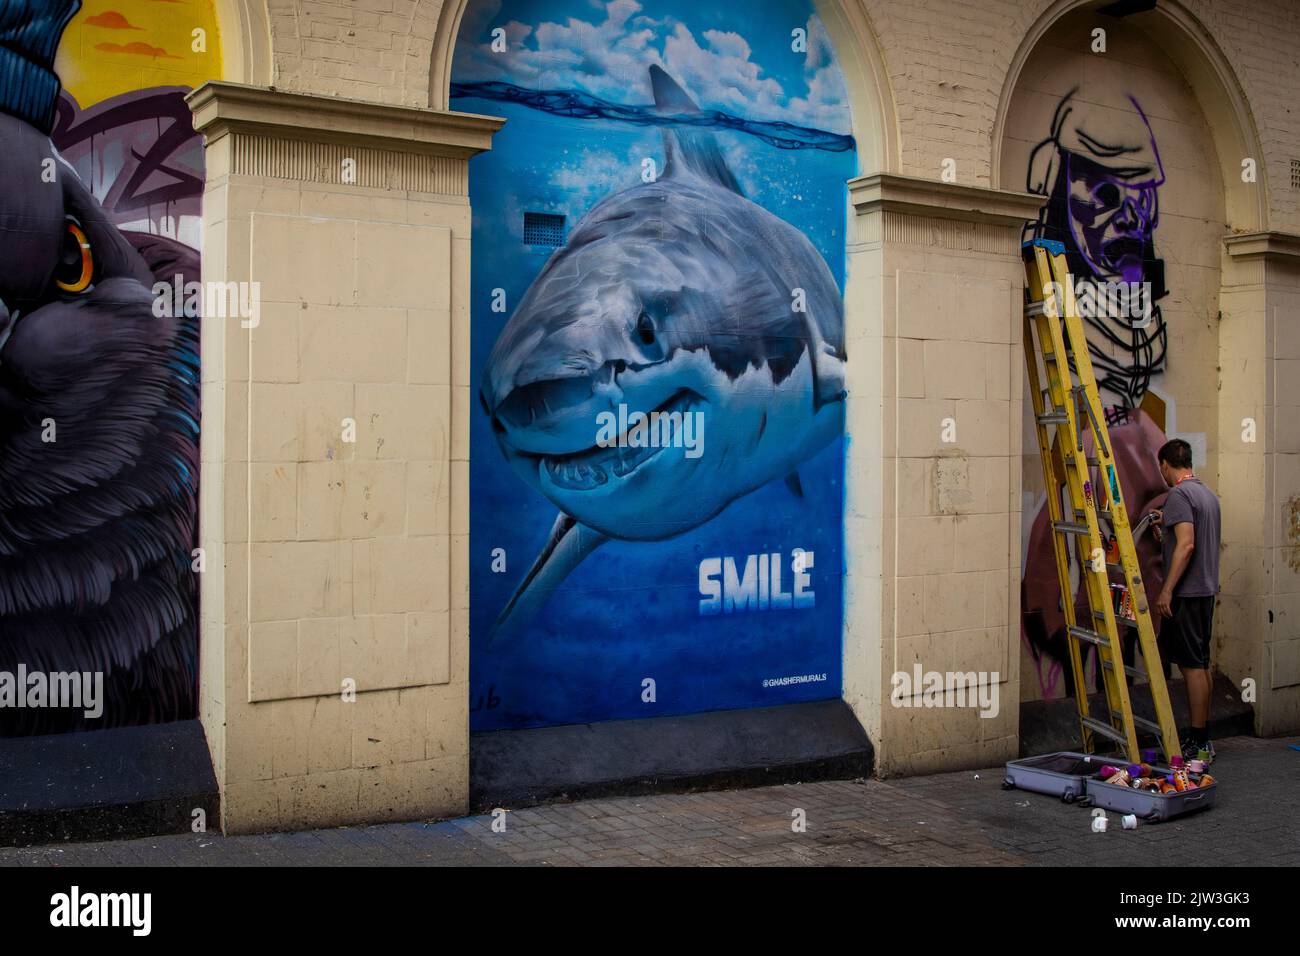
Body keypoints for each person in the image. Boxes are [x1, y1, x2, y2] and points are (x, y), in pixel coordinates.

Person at [1150, 439, 1221, 763]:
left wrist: (1167, 590)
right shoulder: (1206, 494)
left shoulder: (1178, 494)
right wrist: (1163, 526)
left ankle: (1197, 743)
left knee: (1191, 667)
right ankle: (1204, 737)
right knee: (1201, 664)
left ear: (1166, 464)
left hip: (1188, 594)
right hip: (1205, 590)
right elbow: (1189, 536)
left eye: (1161, 467)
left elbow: (1187, 544)